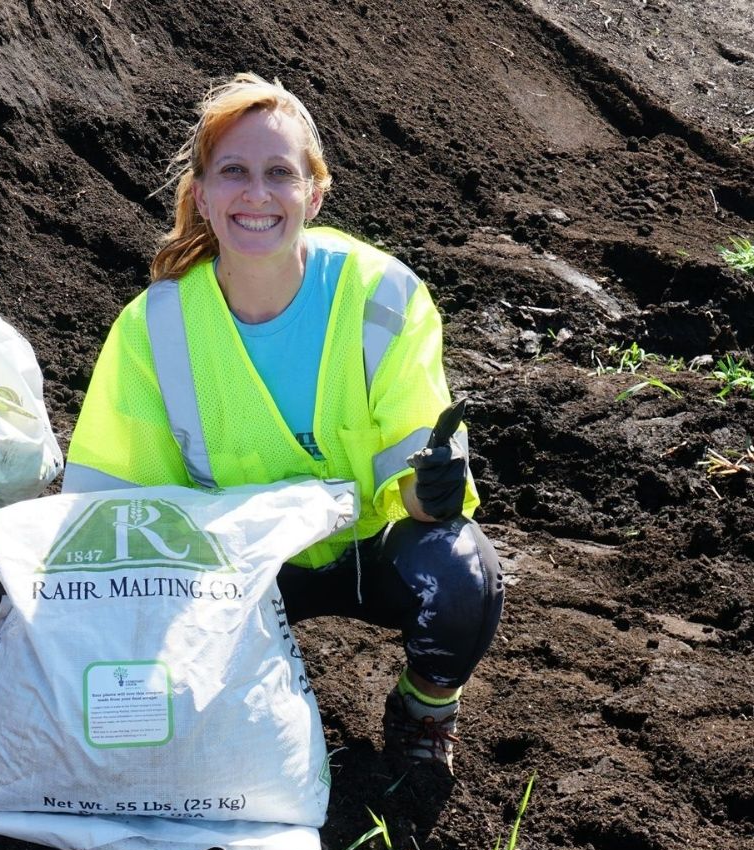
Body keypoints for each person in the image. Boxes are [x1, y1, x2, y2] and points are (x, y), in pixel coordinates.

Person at [57, 73, 503, 772]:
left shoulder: (382, 295)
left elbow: (411, 475)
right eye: (233, 172)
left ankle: (424, 710)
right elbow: (114, 496)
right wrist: (40, 568)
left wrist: (434, 489)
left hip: (366, 552)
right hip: (234, 578)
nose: (256, 194)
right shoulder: (158, 326)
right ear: (202, 195)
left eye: (279, 174)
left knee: (461, 572)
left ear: (314, 193)